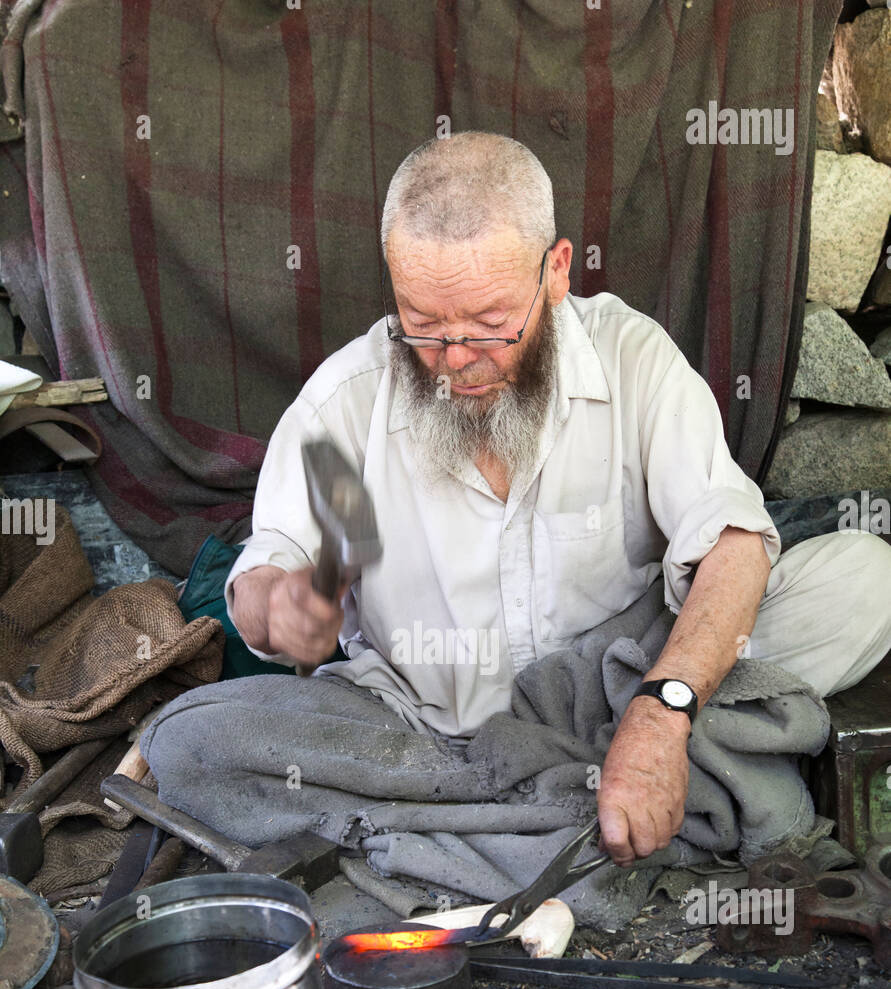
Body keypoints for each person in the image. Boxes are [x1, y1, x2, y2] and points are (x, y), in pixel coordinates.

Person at [219, 132, 890, 866]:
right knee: (196, 740)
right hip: (427, 728)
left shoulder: (630, 360)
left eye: (488, 324)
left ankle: (557, 795)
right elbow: (266, 569)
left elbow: (729, 542)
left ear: (556, 270)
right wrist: (278, 608)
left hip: (616, 690)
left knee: (864, 578)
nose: (456, 359)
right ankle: (576, 799)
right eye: (424, 324)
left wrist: (660, 712)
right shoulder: (346, 406)